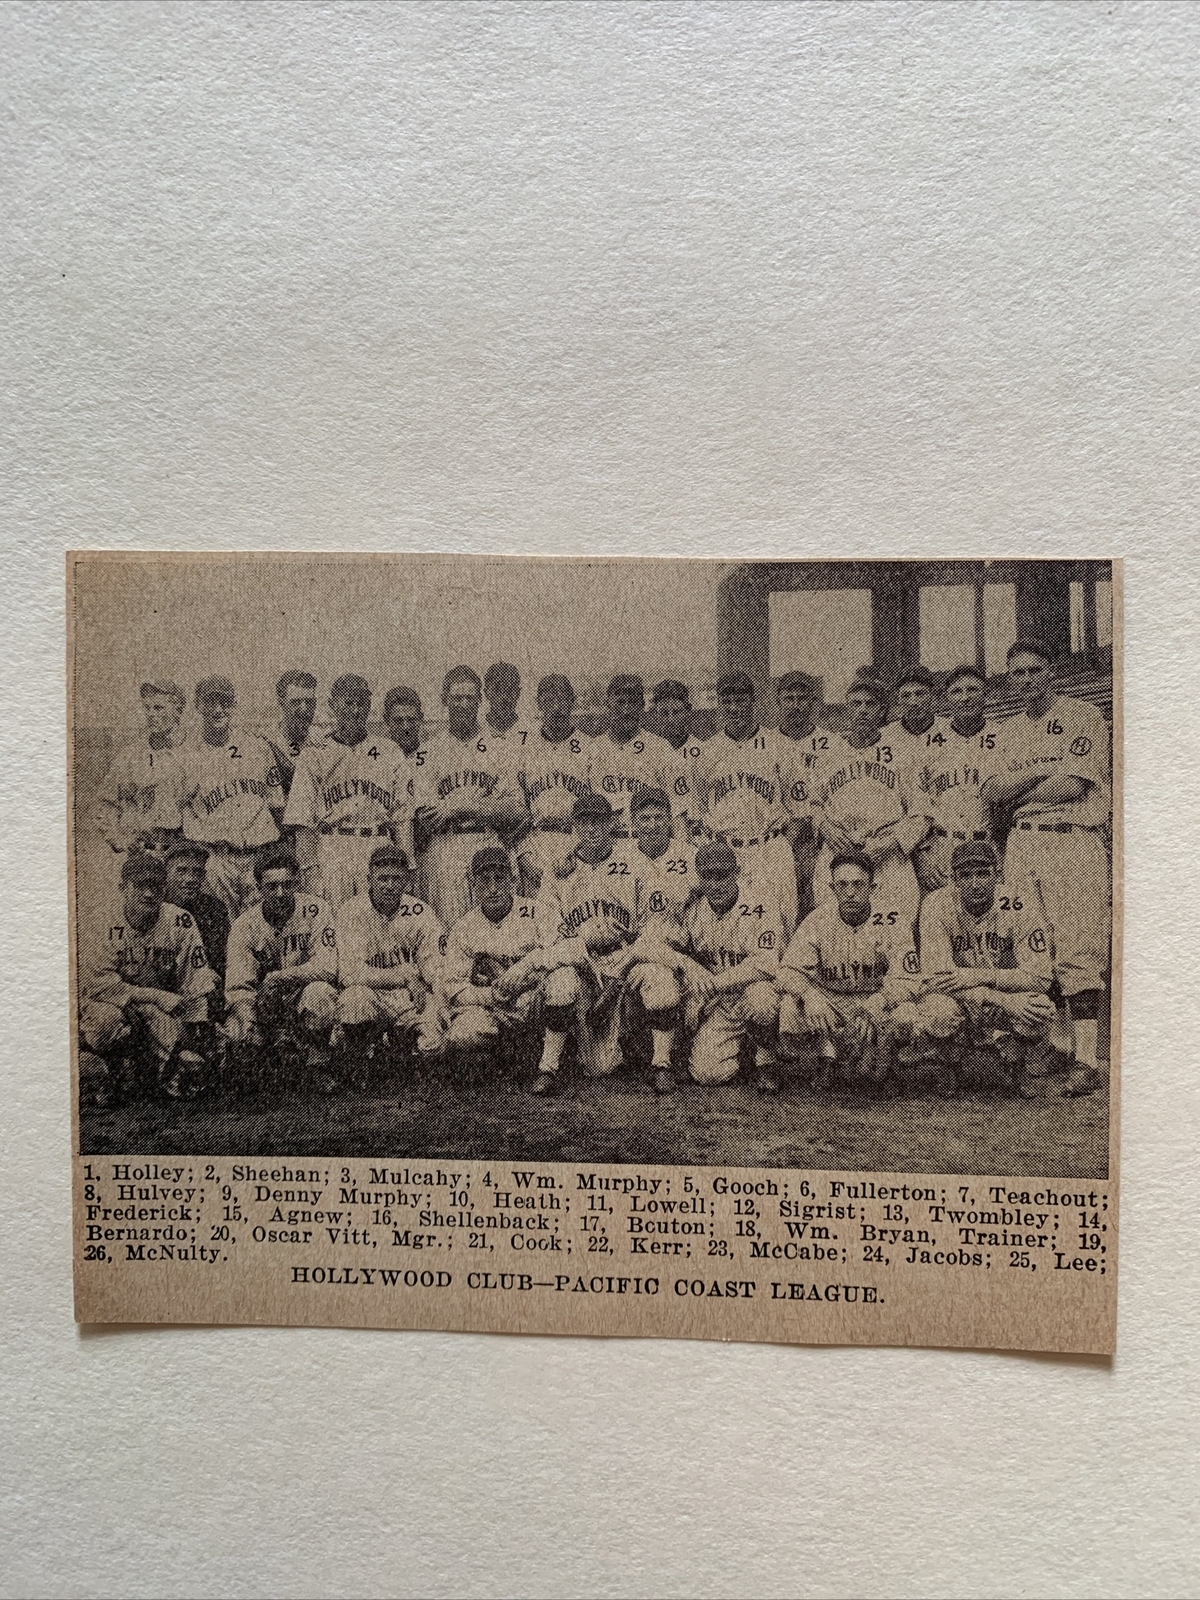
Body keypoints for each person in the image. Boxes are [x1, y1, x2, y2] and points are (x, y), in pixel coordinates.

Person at [981, 639, 1112, 1089]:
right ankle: (1053, 1046)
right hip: (1021, 844)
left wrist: (1019, 782)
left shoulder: (1083, 715)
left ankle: (1089, 1059)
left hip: (1071, 841)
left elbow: (1072, 787)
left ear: (1051, 672)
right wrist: (1039, 776)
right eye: (1017, 673)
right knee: (1029, 945)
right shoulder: (1000, 728)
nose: (1027, 680)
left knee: (1077, 949)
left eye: (1035, 670)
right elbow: (991, 793)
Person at [529, 792, 679, 1095]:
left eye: (599, 821)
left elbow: (655, 922)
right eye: (584, 822)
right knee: (597, 1064)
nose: (592, 830)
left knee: (661, 980)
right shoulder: (558, 869)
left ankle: (661, 1063)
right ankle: (548, 1066)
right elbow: (547, 928)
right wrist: (583, 949)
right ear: (574, 827)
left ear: (611, 823)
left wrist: (626, 964)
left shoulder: (635, 863)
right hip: (581, 960)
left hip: (625, 957)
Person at [906, 842, 1058, 1096]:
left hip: (1003, 997)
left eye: (983, 873)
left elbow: (1041, 978)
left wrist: (980, 976)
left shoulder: (1018, 904)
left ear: (997, 874)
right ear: (953, 879)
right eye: (965, 875)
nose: (975, 884)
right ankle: (952, 1059)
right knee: (936, 1010)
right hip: (960, 1000)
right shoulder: (936, 904)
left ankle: (1016, 1061)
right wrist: (999, 998)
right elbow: (937, 979)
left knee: (1040, 1008)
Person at [642, 843, 784, 1094]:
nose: (715, 884)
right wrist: (686, 964)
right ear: (698, 878)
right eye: (708, 876)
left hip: (747, 992)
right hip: (718, 1003)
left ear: (737, 872)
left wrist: (710, 987)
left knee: (762, 999)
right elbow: (651, 945)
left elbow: (766, 964)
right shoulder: (694, 907)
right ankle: (742, 1050)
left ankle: (766, 1060)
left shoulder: (761, 903)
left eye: (722, 875)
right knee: (707, 1074)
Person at [777, 850, 921, 1092]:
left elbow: (910, 980)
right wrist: (810, 996)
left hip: (874, 999)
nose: (850, 892)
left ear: (872, 887)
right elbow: (786, 972)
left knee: (906, 1014)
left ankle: (888, 1064)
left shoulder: (892, 919)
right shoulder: (818, 919)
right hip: (831, 1001)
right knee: (790, 1007)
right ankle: (827, 1056)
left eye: (858, 884)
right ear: (832, 888)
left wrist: (879, 1001)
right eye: (842, 885)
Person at [78, 852, 214, 1106]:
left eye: (156, 887)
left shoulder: (180, 921)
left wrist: (193, 1036)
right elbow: (100, 985)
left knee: (191, 1071)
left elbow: (195, 982)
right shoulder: (104, 920)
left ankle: (146, 1070)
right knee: (104, 1023)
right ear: (123, 887)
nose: (149, 894)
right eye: (141, 886)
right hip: (112, 1007)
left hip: (160, 1013)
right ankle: (102, 1062)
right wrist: (155, 997)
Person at [808, 672, 929, 931]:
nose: (862, 710)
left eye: (870, 704)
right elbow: (814, 804)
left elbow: (921, 813)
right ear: (846, 708)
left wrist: (890, 843)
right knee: (835, 931)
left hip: (887, 853)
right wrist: (826, 829)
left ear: (882, 710)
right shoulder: (829, 754)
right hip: (838, 851)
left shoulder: (903, 753)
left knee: (895, 931)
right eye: (856, 704)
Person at [412, 666, 526, 927]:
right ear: (444, 700)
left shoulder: (500, 747)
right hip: (444, 849)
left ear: (479, 700)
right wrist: (486, 805)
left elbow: (514, 810)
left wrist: (461, 807)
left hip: (487, 842)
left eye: (470, 698)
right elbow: (428, 817)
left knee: (497, 933)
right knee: (450, 934)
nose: (464, 705)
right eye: (457, 698)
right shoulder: (427, 753)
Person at [283, 673, 406, 910]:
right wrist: (310, 872)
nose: (356, 710)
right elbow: (303, 823)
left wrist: (406, 866)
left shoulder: (390, 751)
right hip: (333, 849)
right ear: (332, 706)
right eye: (348, 703)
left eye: (362, 704)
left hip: (377, 847)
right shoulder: (315, 753)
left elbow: (402, 818)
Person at [691, 670, 799, 937]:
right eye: (727, 702)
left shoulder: (781, 746)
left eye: (740, 700)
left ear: (753, 701)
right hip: (726, 853)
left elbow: (798, 813)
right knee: (733, 931)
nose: (734, 708)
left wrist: (784, 850)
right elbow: (698, 813)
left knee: (781, 926)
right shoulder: (707, 752)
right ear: (720, 704)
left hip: (770, 846)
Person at [222, 844, 339, 1088]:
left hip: (300, 997)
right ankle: (265, 1064)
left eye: (287, 884)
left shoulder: (317, 909)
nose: (280, 892)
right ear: (258, 888)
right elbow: (238, 986)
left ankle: (316, 1064)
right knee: (237, 1030)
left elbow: (328, 967)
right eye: (271, 886)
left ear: (297, 883)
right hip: (264, 1003)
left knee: (322, 994)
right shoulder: (245, 924)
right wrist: (248, 1018)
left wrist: (279, 977)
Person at [177, 676, 285, 917]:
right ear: (198, 705)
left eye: (224, 702)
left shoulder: (258, 748)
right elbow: (176, 814)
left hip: (258, 857)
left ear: (233, 704)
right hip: (215, 860)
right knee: (219, 932)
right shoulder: (185, 756)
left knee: (259, 933)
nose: (217, 709)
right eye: (210, 702)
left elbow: (277, 806)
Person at [332, 845, 444, 1073]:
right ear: (369, 879)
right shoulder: (351, 911)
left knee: (436, 1043)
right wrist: (403, 977)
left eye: (396, 879)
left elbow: (436, 967)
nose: (390, 886)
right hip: (372, 995)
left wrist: (439, 1000)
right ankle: (360, 1059)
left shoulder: (420, 911)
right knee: (354, 1001)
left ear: (406, 881)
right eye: (382, 879)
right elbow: (349, 974)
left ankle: (401, 1047)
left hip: (410, 997)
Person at [441, 848, 543, 1068]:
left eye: (499, 879)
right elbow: (454, 989)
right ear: (473, 885)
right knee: (459, 1035)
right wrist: (491, 996)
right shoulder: (463, 928)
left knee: (563, 982)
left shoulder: (536, 911)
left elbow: (561, 952)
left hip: (532, 999)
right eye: (484, 881)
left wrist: (530, 981)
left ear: (513, 880)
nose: (493, 889)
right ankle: (504, 1050)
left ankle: (546, 1055)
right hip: (492, 1008)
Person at [911, 664, 997, 892]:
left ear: (986, 692)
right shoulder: (927, 742)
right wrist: (922, 856)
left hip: (987, 845)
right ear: (946, 698)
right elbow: (918, 807)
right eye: (957, 692)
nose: (965, 698)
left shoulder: (1004, 736)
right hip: (941, 849)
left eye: (973, 690)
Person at [92, 676, 187, 857]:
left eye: (158, 708)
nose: (151, 714)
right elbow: (104, 803)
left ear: (178, 710)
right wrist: (117, 839)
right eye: (147, 708)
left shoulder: (195, 751)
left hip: (185, 855)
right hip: (143, 854)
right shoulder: (130, 755)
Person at [513, 675, 590, 896]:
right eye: (548, 701)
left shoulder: (590, 748)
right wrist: (523, 856)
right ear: (539, 703)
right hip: (535, 844)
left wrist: (579, 854)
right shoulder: (524, 749)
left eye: (563, 700)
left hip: (576, 843)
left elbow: (599, 813)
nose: (556, 708)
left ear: (572, 702)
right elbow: (517, 813)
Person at [585, 674, 684, 840]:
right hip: (607, 845)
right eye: (620, 702)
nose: (626, 710)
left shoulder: (660, 748)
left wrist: (680, 852)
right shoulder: (592, 749)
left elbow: (678, 813)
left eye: (632, 702)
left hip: (648, 845)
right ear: (608, 704)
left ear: (642, 706)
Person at [773, 671, 823, 920]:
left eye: (802, 698)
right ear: (778, 702)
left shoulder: (832, 744)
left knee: (815, 911)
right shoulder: (767, 742)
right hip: (778, 841)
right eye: (788, 698)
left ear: (813, 701)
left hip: (819, 841)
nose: (795, 705)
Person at [162, 839, 231, 1000]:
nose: (190, 879)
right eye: (181, 871)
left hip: (200, 986)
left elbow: (221, 960)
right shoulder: (155, 905)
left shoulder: (214, 908)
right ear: (166, 873)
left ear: (204, 876)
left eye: (197, 872)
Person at [629, 787, 697, 927]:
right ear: (633, 821)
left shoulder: (691, 855)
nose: (653, 825)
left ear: (670, 819)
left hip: (680, 942)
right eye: (645, 818)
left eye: (659, 817)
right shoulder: (623, 858)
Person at [266, 670, 320, 798]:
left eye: (309, 702)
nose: (304, 709)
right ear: (282, 702)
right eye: (295, 702)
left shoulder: (323, 742)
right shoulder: (266, 745)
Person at [483, 662, 531, 743]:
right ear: (486, 693)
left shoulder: (529, 730)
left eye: (510, 690)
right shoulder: (480, 731)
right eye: (497, 690)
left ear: (518, 693)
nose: (504, 697)